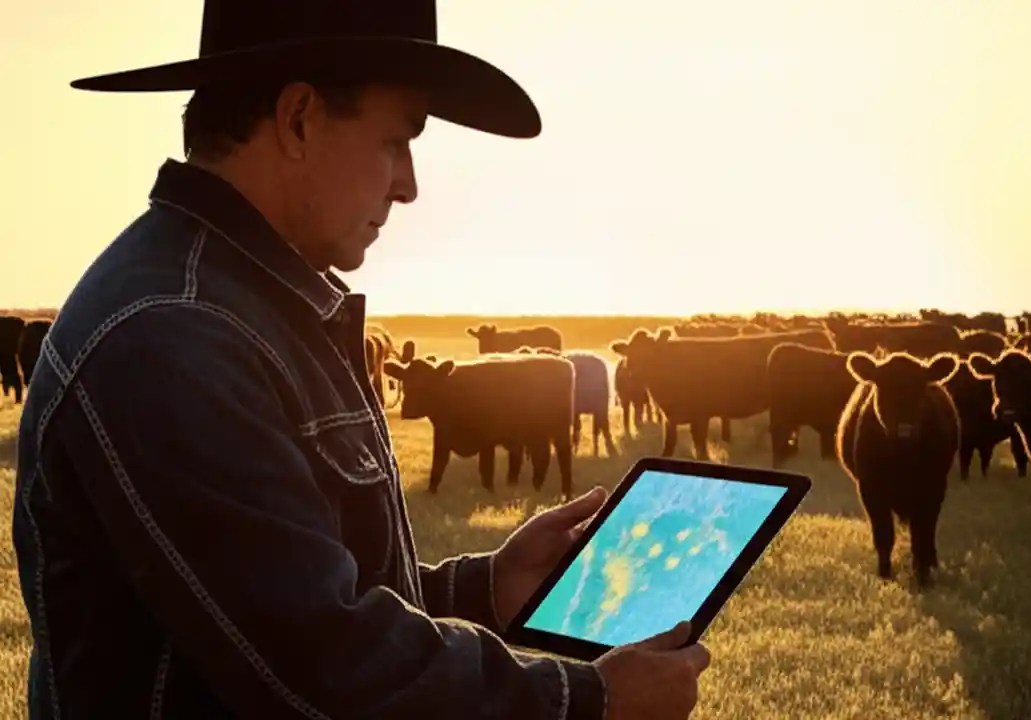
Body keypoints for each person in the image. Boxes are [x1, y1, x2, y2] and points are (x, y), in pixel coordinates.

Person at [12, 1, 711, 717]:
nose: (407, 184)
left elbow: (290, 592)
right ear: (299, 120)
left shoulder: (250, 309)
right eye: (394, 141)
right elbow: (320, 669)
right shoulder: (174, 336)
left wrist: (486, 588)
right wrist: (588, 701)